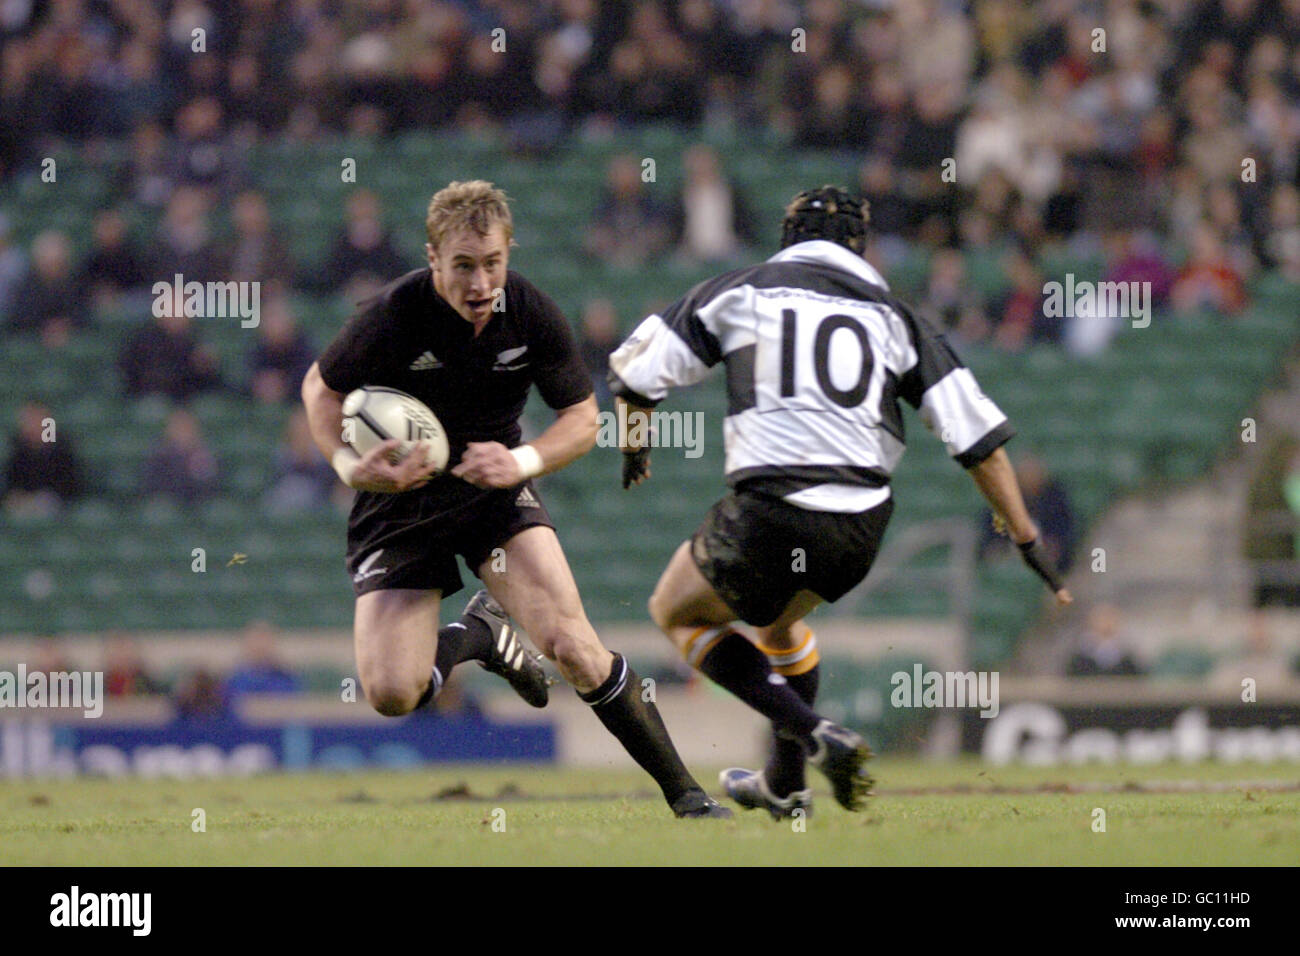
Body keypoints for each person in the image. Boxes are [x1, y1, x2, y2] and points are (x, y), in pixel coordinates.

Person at [609, 186, 1072, 819]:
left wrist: (636, 446)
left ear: (787, 237)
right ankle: (786, 786)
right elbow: (981, 444)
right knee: (778, 627)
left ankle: (813, 730)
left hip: (772, 508)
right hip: (858, 529)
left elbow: (635, 375)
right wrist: (1025, 538)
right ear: (862, 245)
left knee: (677, 611)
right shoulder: (896, 317)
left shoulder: (741, 290)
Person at [301, 180, 728, 818]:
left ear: (509, 253)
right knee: (393, 693)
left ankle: (688, 796)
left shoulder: (529, 312)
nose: (480, 283)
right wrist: (346, 465)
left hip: (492, 492)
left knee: (573, 647)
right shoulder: (393, 314)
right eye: (463, 266)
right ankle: (477, 635)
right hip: (399, 503)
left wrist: (521, 460)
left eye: (492, 263)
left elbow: (583, 420)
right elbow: (319, 389)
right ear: (432, 258)